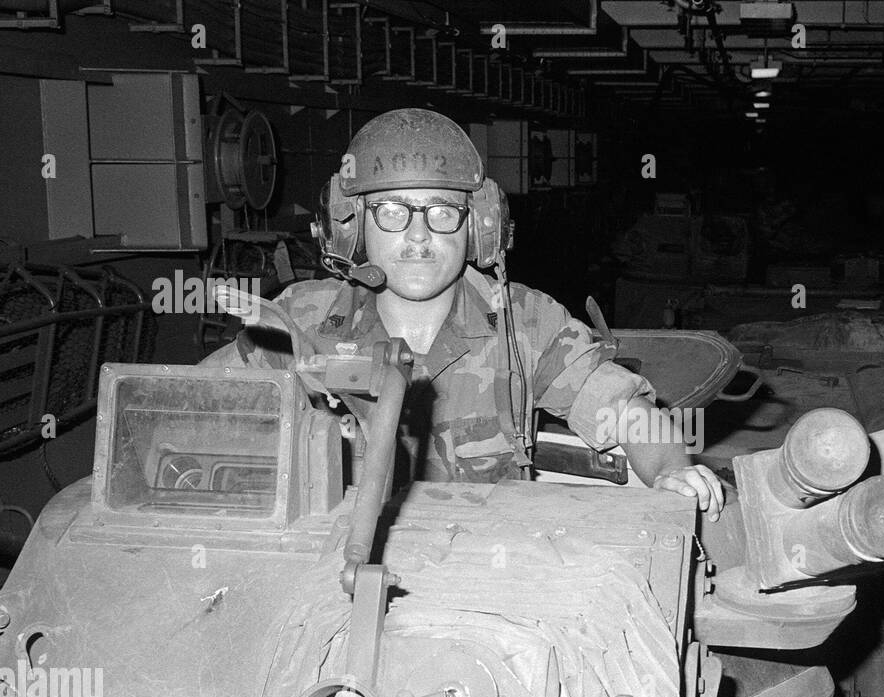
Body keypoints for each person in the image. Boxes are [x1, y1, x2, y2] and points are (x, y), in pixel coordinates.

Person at [202, 108, 722, 520]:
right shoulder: (301, 320)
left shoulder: (524, 322)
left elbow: (628, 413)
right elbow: (195, 403)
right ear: (352, 228)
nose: (419, 235)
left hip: (482, 571)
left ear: (478, 229)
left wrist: (671, 471)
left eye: (443, 212)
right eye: (391, 211)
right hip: (327, 560)